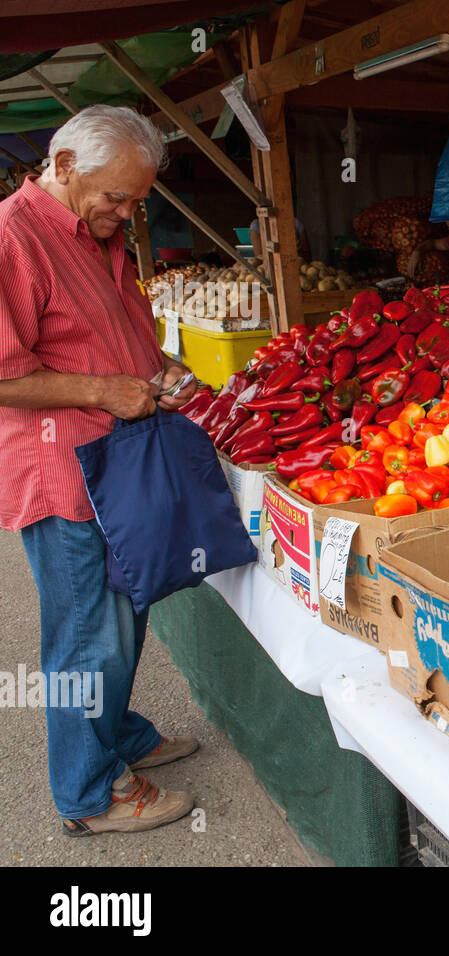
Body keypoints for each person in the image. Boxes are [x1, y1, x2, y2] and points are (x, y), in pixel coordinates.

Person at [0, 106, 201, 837]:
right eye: (116, 197)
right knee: (87, 635)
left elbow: (103, 335)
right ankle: (88, 794)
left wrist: (157, 369)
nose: (126, 212)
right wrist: (101, 390)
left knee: (123, 616)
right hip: (62, 469)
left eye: (136, 200)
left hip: (117, 467)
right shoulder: (14, 236)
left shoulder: (95, 234)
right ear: (62, 166)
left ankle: (112, 734)